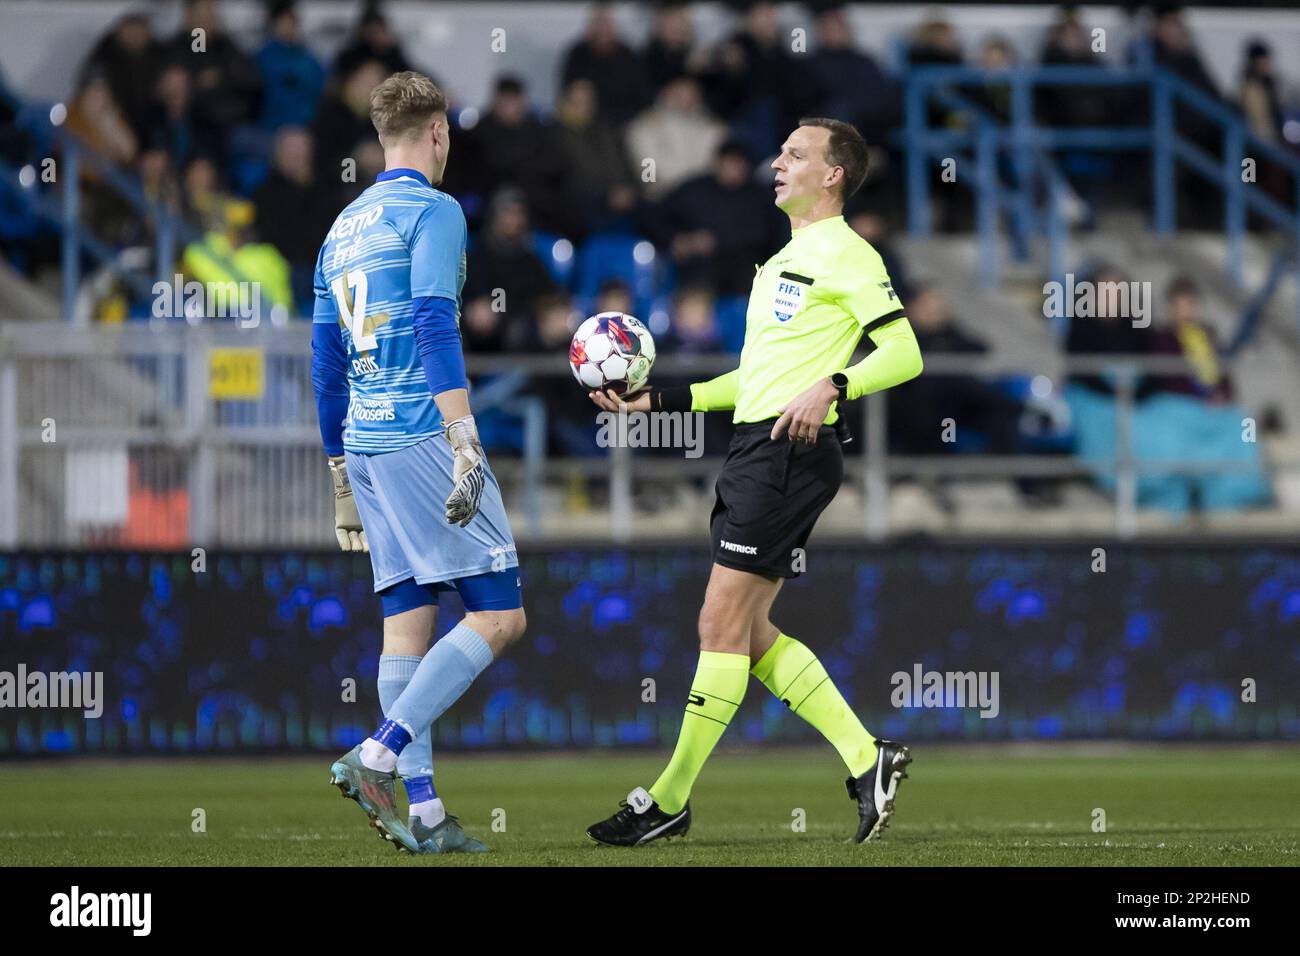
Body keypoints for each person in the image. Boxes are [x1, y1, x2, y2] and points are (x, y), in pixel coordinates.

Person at [585, 118, 923, 846]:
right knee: (750, 632)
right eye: (780, 151)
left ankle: (669, 799)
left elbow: (904, 352)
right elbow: (757, 381)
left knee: (718, 624)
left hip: (790, 454)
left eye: (795, 154)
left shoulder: (849, 254)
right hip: (756, 447)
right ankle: (869, 760)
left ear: (833, 175)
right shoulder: (783, 260)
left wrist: (835, 384)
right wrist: (664, 402)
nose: (777, 162)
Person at [312, 71, 526, 855]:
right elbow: (437, 326)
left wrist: (338, 469)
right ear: (438, 133)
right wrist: (463, 435)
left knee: (407, 628)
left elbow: (325, 364)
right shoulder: (434, 212)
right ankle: (376, 755)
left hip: (365, 444)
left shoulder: (341, 229)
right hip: (420, 435)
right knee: (501, 615)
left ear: (381, 137)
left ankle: (429, 813)